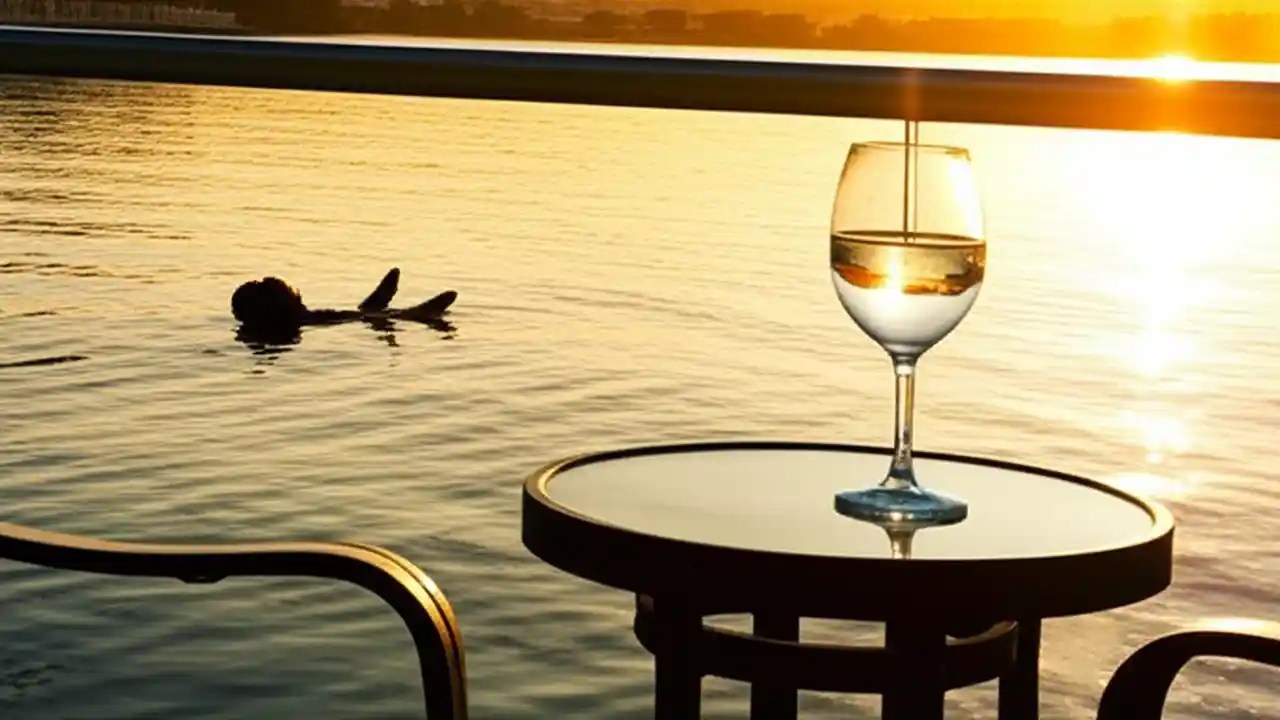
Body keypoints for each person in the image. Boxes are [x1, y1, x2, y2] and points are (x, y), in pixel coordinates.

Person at [231, 268, 456, 337]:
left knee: (363, 313)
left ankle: (376, 305)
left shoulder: (292, 318)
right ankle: (416, 314)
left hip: (310, 317)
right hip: (307, 319)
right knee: (369, 316)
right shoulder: (289, 322)